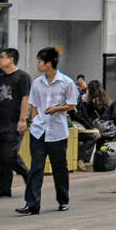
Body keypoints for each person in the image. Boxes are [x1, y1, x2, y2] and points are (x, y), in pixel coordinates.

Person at [18, 47, 80, 216]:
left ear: (49, 64)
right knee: (36, 168)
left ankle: (63, 200)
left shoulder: (66, 83)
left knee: (59, 167)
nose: (38, 65)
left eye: (40, 62)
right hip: (39, 131)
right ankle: (32, 204)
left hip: (58, 132)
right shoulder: (37, 83)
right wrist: (33, 121)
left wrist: (57, 109)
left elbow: (72, 105)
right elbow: (35, 105)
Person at [0, 48, 31, 199]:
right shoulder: (0, 79)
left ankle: (30, 179)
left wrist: (22, 119)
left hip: (14, 123)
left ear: (11, 60)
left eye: (2, 57)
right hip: (1, 122)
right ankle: (4, 189)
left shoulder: (22, 77)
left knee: (10, 155)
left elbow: (25, 99)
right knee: (1, 157)